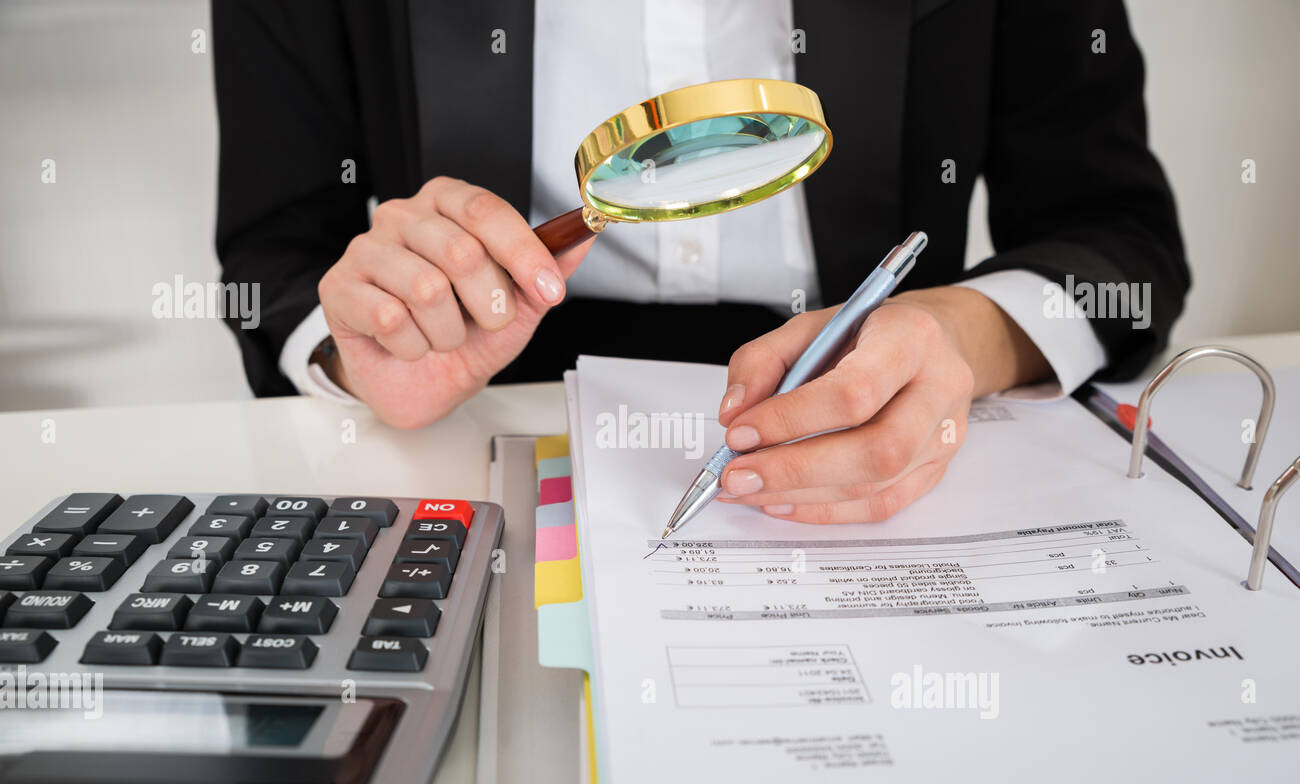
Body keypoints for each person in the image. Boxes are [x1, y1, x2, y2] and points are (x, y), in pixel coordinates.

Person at [213, 0, 1189, 525]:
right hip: (473, 426)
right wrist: (363, 348)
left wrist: (961, 337)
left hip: (866, 383)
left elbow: (1120, 244)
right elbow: (277, 255)